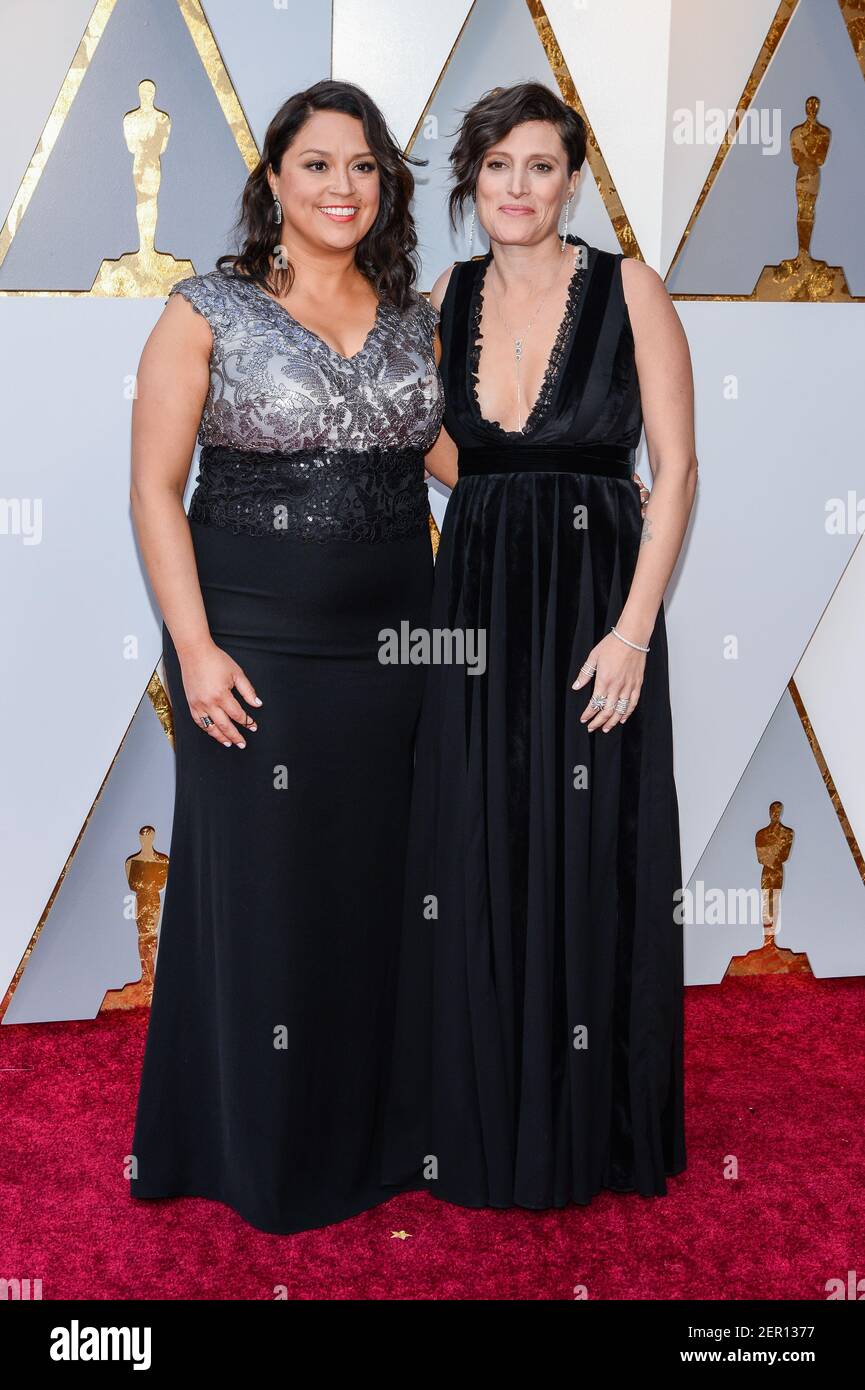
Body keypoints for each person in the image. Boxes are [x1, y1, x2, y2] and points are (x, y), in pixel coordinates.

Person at [129, 80, 443, 1235]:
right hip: (253, 655)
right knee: (262, 903)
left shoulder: (416, 317)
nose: (341, 188)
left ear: (385, 184)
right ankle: (253, 1148)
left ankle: (380, 1136)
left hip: (398, 656)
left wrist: (591, 490)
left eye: (362, 167)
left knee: (379, 895)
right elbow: (156, 493)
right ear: (274, 180)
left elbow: (459, 461)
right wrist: (195, 651)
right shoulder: (206, 308)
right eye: (316, 165)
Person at [383, 81, 697, 1210]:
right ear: (472, 179)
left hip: (595, 606)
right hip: (475, 599)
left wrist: (631, 631)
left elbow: (679, 470)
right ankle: (482, 1110)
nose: (517, 187)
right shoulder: (439, 298)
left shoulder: (630, 288)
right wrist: (499, 511)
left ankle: (587, 1126)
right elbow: (424, 437)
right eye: (498, 166)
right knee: (476, 841)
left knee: (585, 842)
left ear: (572, 178)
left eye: (541, 166)